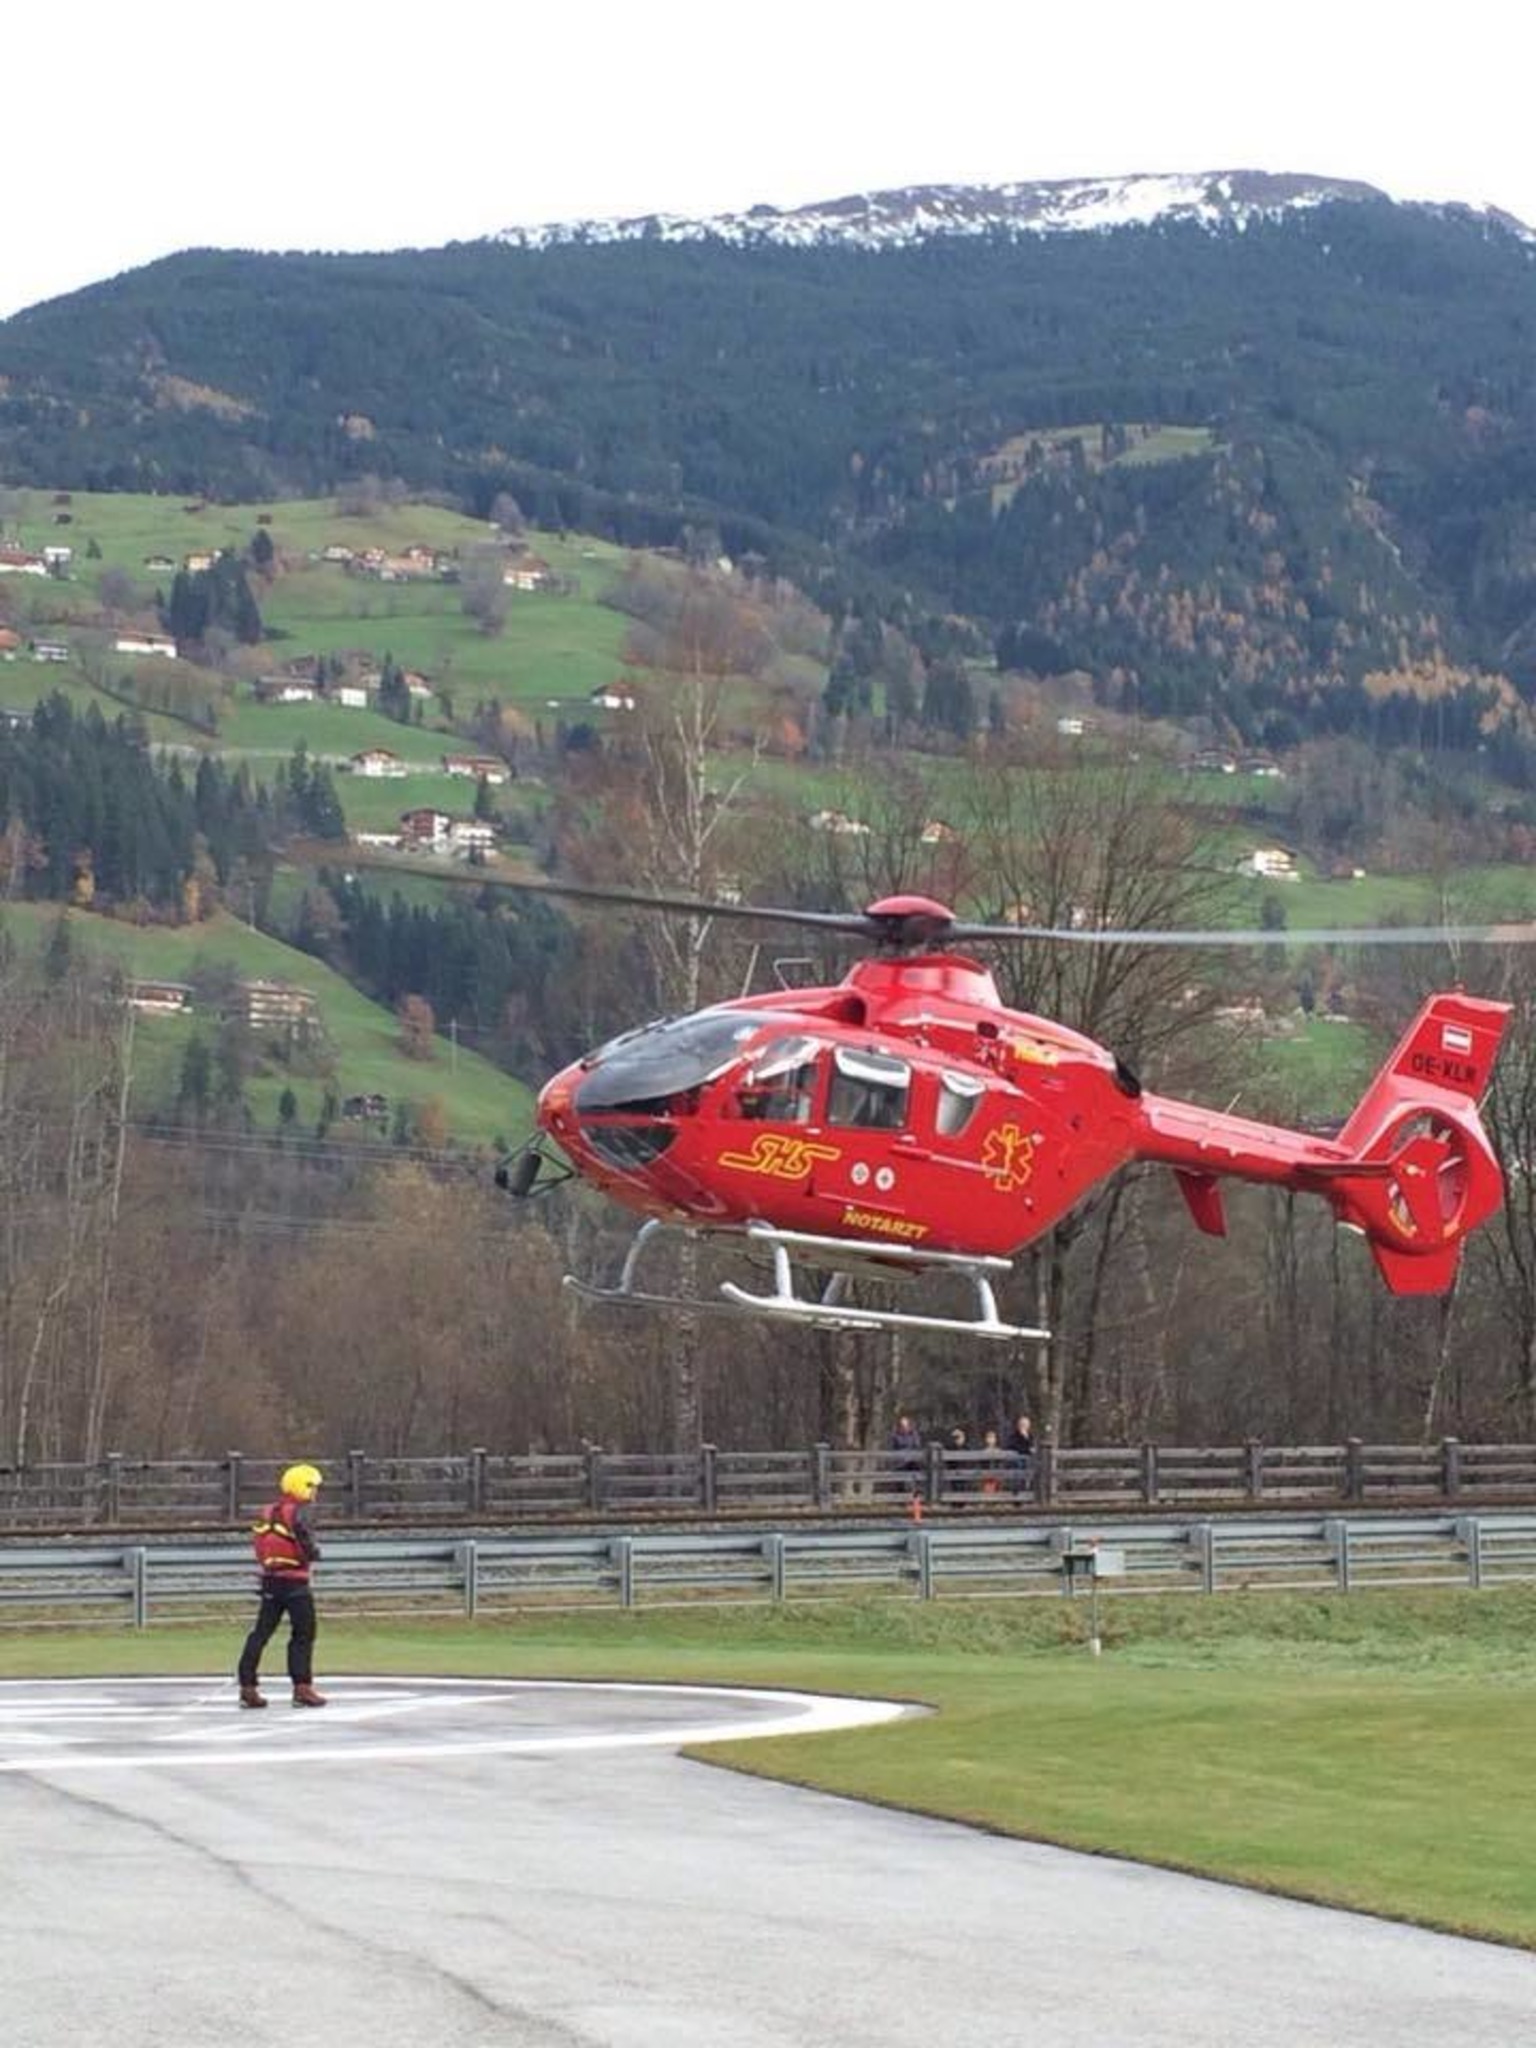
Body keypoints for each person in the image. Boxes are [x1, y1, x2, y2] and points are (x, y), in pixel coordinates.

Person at [238, 1462, 328, 1709]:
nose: (315, 1493)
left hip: (271, 1579)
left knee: (260, 1633)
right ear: (303, 1487)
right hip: (295, 1581)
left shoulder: (269, 1511)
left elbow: (258, 1543)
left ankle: (247, 1686)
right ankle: (302, 1687)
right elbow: (306, 1541)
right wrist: (314, 1555)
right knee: (303, 1633)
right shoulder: (300, 1511)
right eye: (313, 1487)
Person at [1008, 1413, 1037, 1499]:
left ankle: (1029, 1491)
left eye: (1026, 1425)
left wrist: (1027, 1442)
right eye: (1022, 1424)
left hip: (1028, 1460)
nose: (1024, 1426)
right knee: (1018, 1471)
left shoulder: (1030, 1436)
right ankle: (1017, 1494)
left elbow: (1031, 1447)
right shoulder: (1014, 1436)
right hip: (1017, 1460)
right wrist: (1023, 1439)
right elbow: (1015, 1447)